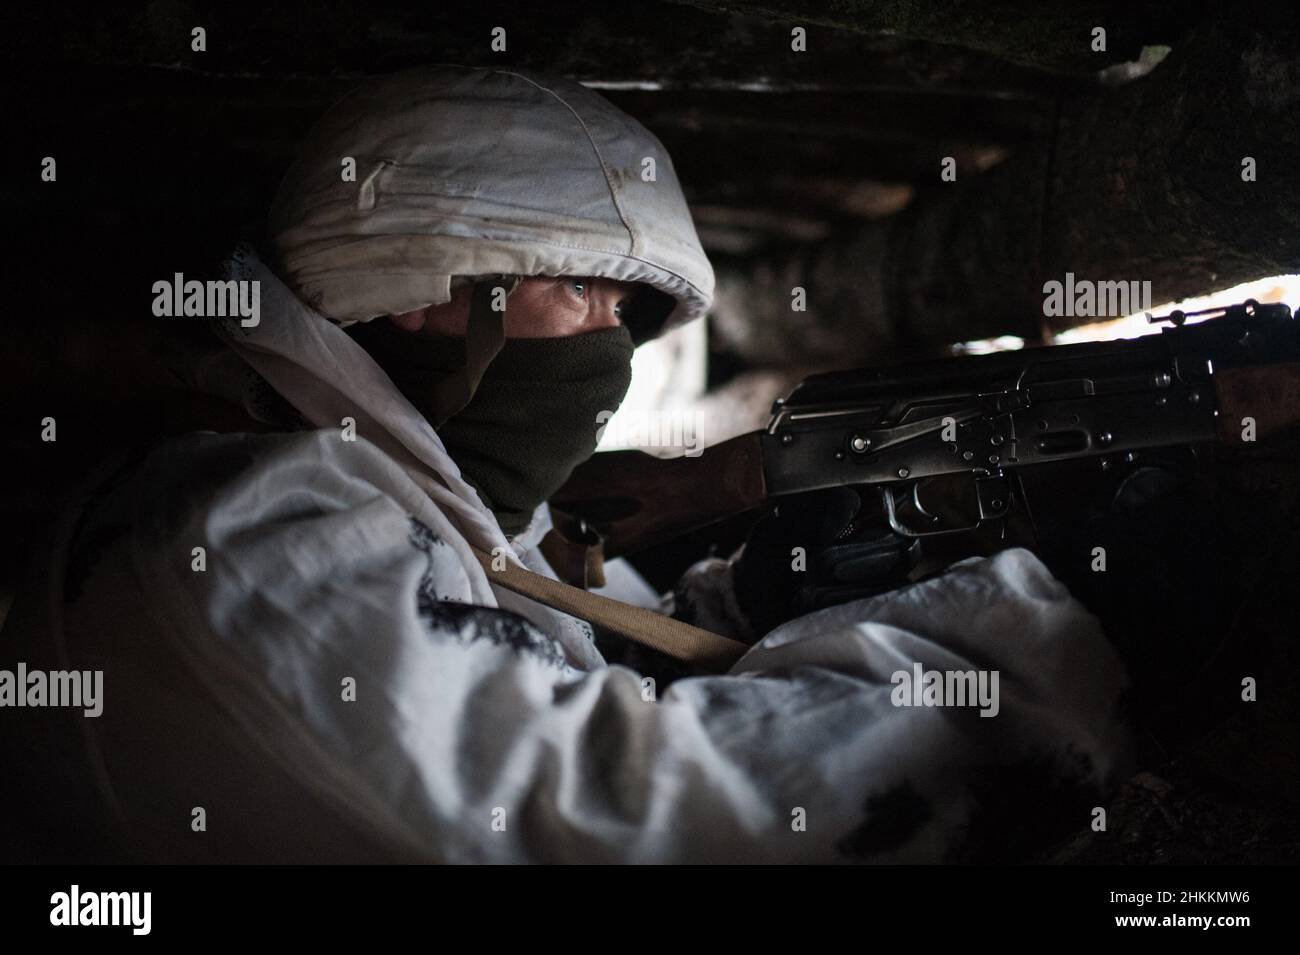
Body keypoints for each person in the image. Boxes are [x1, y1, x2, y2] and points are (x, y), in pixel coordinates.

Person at [1, 65, 1132, 863]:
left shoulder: (398, 495)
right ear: (420, 288)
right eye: (581, 289)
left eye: (628, 313)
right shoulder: (254, 531)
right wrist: (1061, 639)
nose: (610, 344)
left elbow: (542, 652)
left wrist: (750, 598)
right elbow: (642, 822)